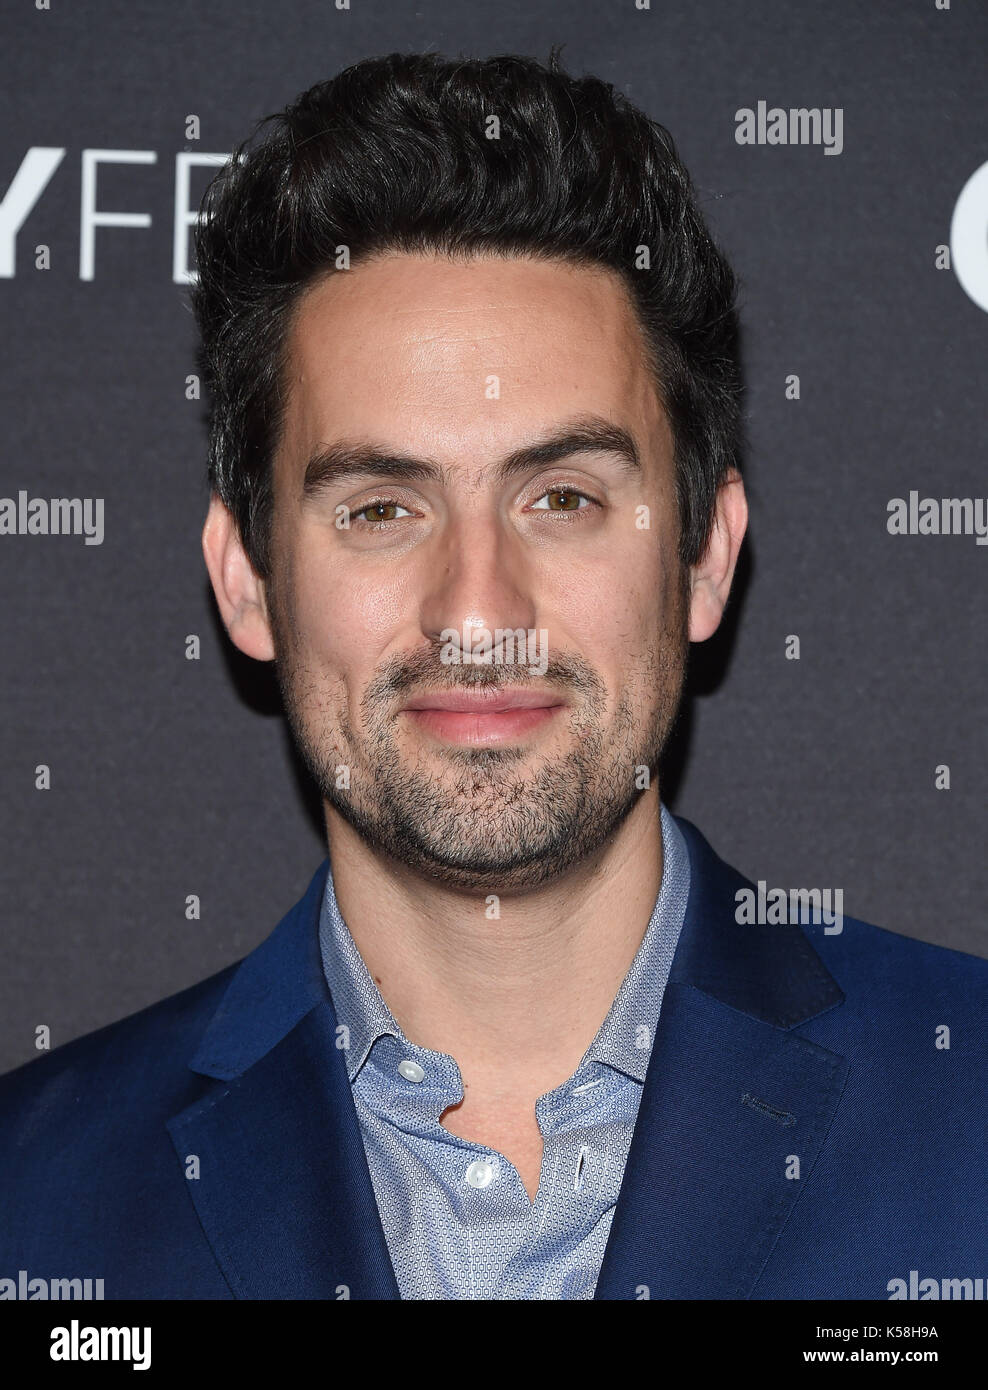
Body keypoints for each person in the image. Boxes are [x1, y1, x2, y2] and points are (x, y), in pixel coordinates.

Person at [1, 51, 985, 1302]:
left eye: (562, 497)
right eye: (380, 508)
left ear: (703, 556)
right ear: (246, 579)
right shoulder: (32, 1206)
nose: (477, 609)